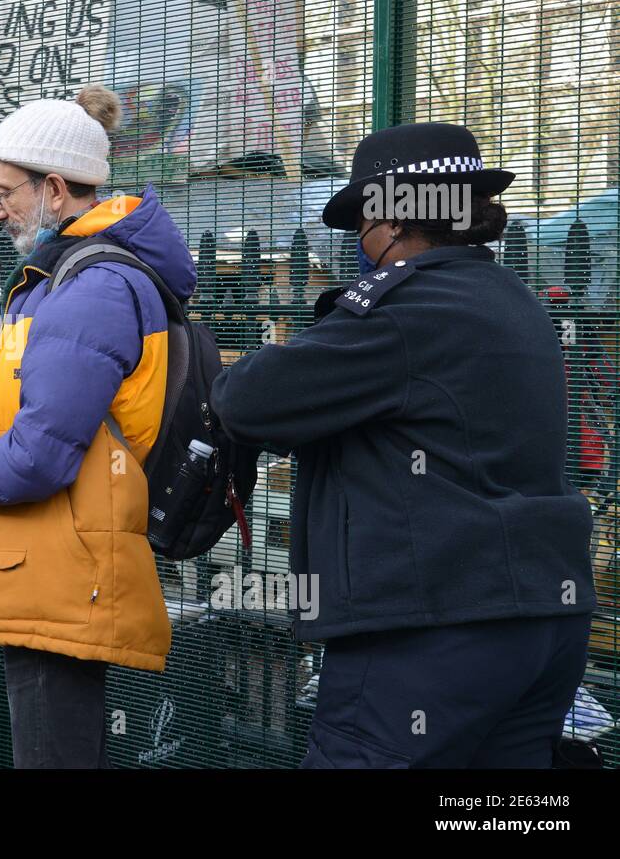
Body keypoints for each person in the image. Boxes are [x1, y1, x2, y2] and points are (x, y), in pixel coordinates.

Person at [210, 122, 597, 767]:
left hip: (430, 631)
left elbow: (246, 399)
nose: (362, 243)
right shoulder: (516, 301)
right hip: (543, 619)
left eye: (364, 223)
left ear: (393, 221)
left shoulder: (404, 311)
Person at [0, 86, 197, 768]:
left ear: (52, 187)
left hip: (64, 575)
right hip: (47, 565)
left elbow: (39, 455)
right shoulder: (58, 278)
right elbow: (19, 418)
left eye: (5, 190)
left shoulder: (93, 288)